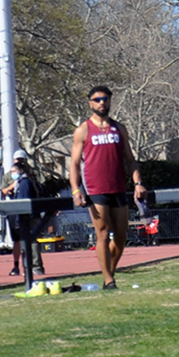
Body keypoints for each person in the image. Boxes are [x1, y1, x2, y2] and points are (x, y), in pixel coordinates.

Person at [69, 85, 147, 289]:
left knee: (121, 237)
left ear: (110, 101)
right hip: (96, 191)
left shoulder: (119, 128)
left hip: (118, 188)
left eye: (105, 99)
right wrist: (76, 190)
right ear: (90, 103)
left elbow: (130, 160)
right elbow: (75, 164)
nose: (101, 102)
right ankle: (108, 279)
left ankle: (108, 272)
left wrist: (138, 182)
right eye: (97, 99)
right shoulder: (83, 130)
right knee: (102, 233)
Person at [2, 150, 46, 279]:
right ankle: (25, 266)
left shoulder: (29, 179)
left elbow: (25, 199)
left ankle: (35, 267)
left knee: (31, 241)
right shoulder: (12, 178)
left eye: (22, 160)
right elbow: (4, 191)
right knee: (22, 241)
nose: (20, 162)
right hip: (18, 213)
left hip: (28, 215)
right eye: (18, 160)